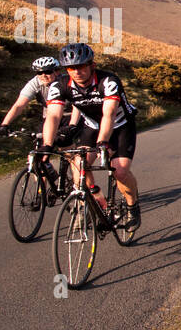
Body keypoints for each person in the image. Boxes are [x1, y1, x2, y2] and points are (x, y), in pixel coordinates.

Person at [41, 43, 141, 231]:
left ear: (92, 65)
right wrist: (47, 144)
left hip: (120, 126)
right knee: (79, 166)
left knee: (120, 171)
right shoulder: (59, 85)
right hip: (92, 126)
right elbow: (53, 116)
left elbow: (109, 114)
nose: (77, 72)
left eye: (81, 66)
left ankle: (132, 206)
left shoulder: (108, 81)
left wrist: (103, 143)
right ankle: (97, 202)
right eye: (71, 68)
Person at [0, 57, 77, 185]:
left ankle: (78, 185)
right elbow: (19, 105)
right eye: (39, 72)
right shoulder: (35, 83)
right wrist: (4, 124)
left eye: (47, 72)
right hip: (49, 117)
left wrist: (72, 125)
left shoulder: (67, 82)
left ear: (57, 71)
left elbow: (78, 105)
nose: (43, 75)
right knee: (35, 157)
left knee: (67, 151)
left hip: (69, 115)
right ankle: (42, 191)